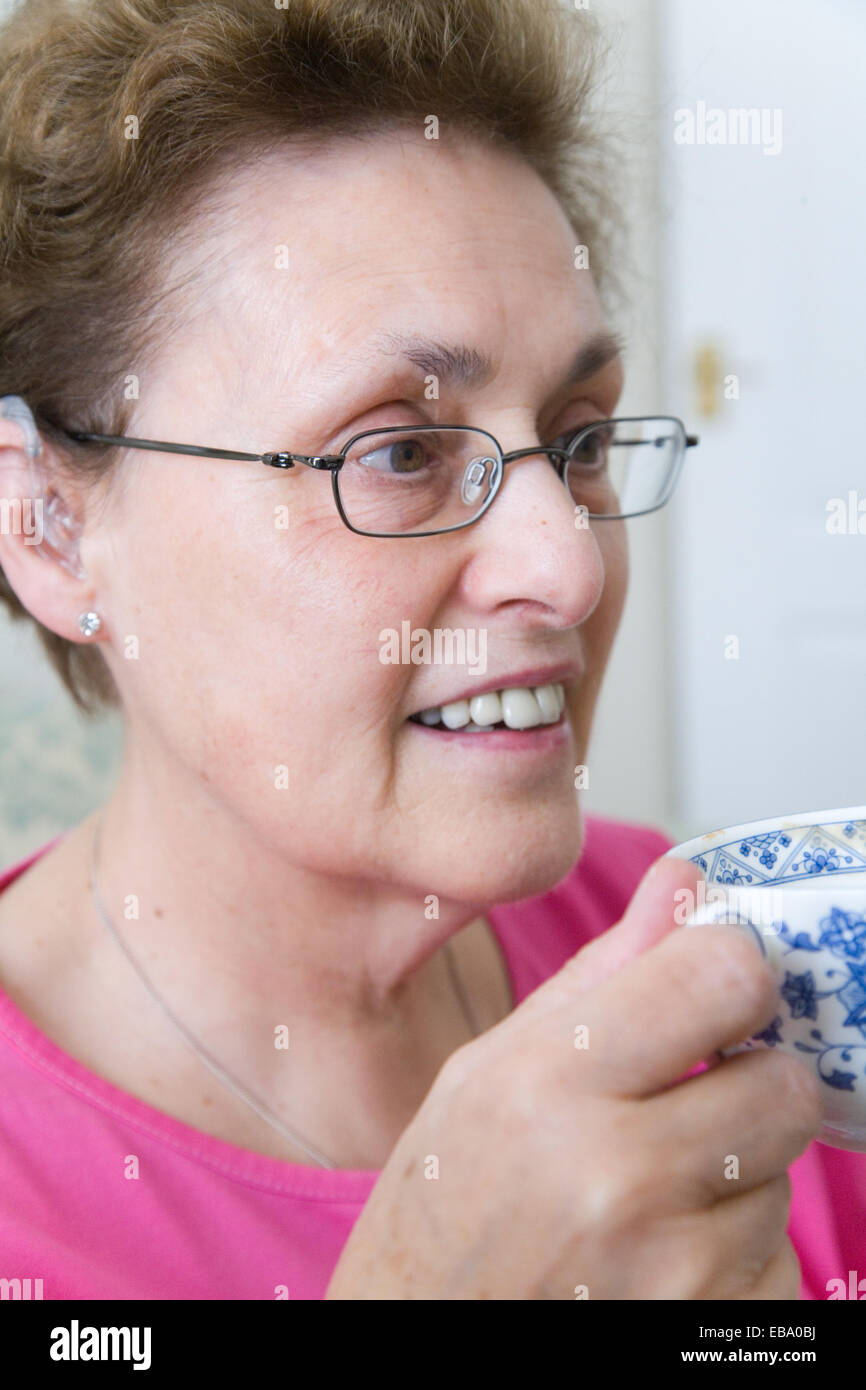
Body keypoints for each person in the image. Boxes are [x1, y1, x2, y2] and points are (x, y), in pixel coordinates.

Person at [0, 0, 859, 1301]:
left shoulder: (717, 957)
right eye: (396, 450)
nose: (567, 562)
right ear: (51, 527)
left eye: (576, 438)